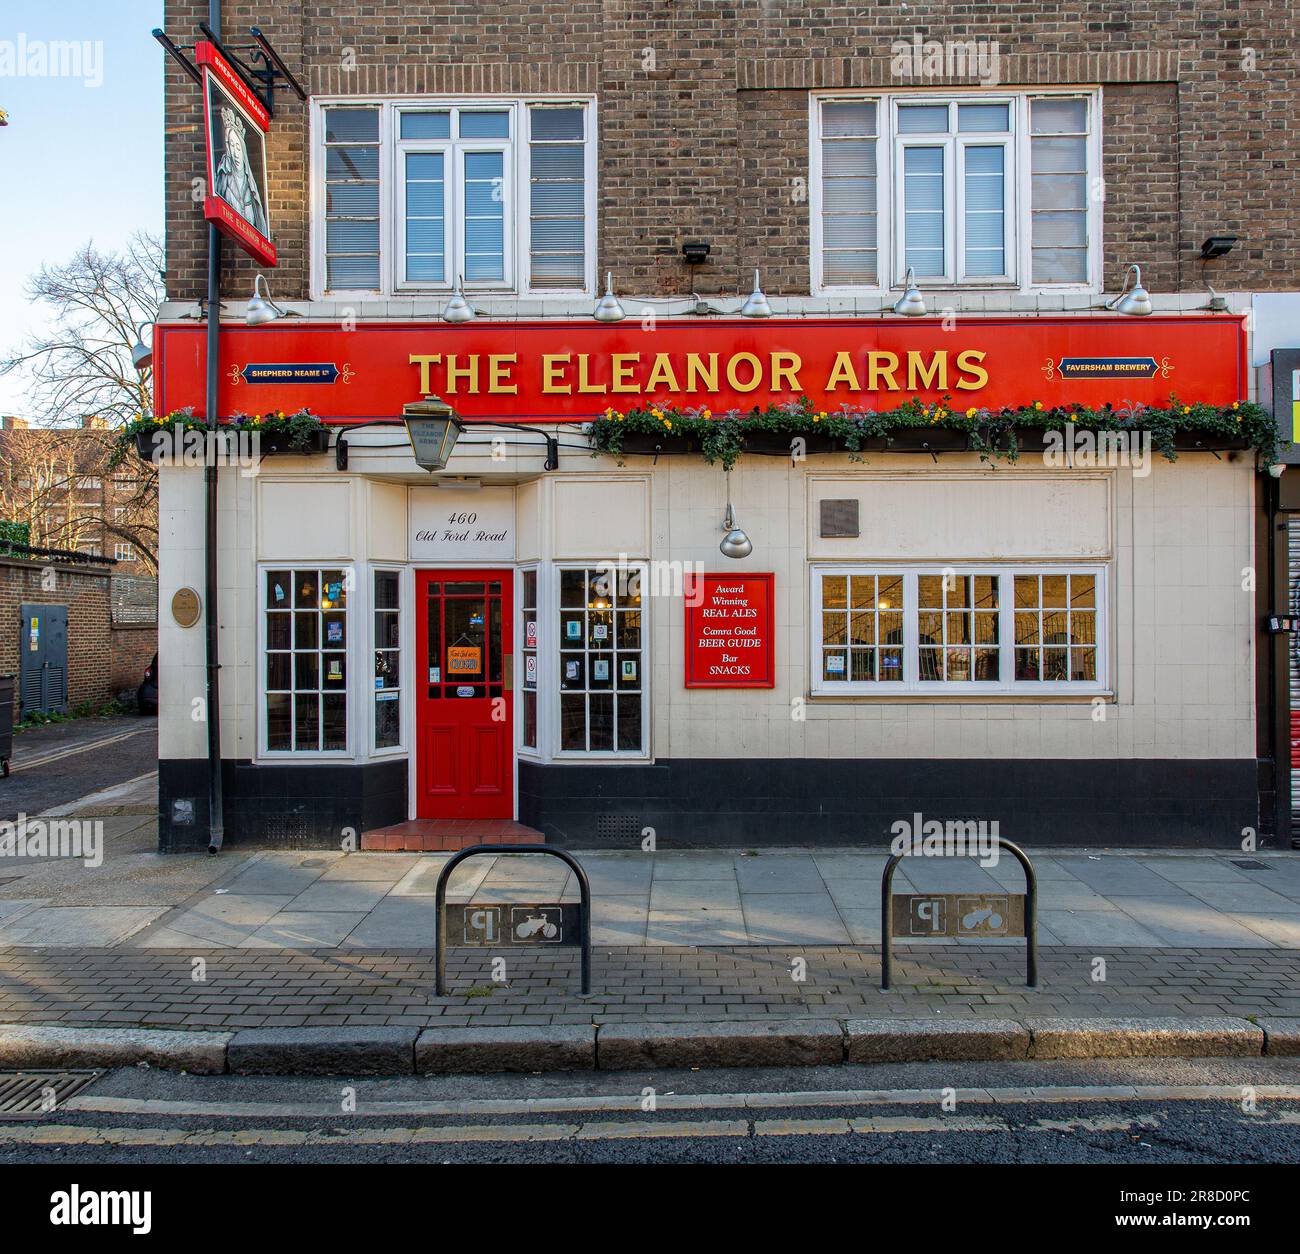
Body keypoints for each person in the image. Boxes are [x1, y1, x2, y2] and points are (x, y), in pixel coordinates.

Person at [213, 104, 268, 236]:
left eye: (238, 147)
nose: (235, 153)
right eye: (231, 146)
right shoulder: (224, 175)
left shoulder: (251, 187)